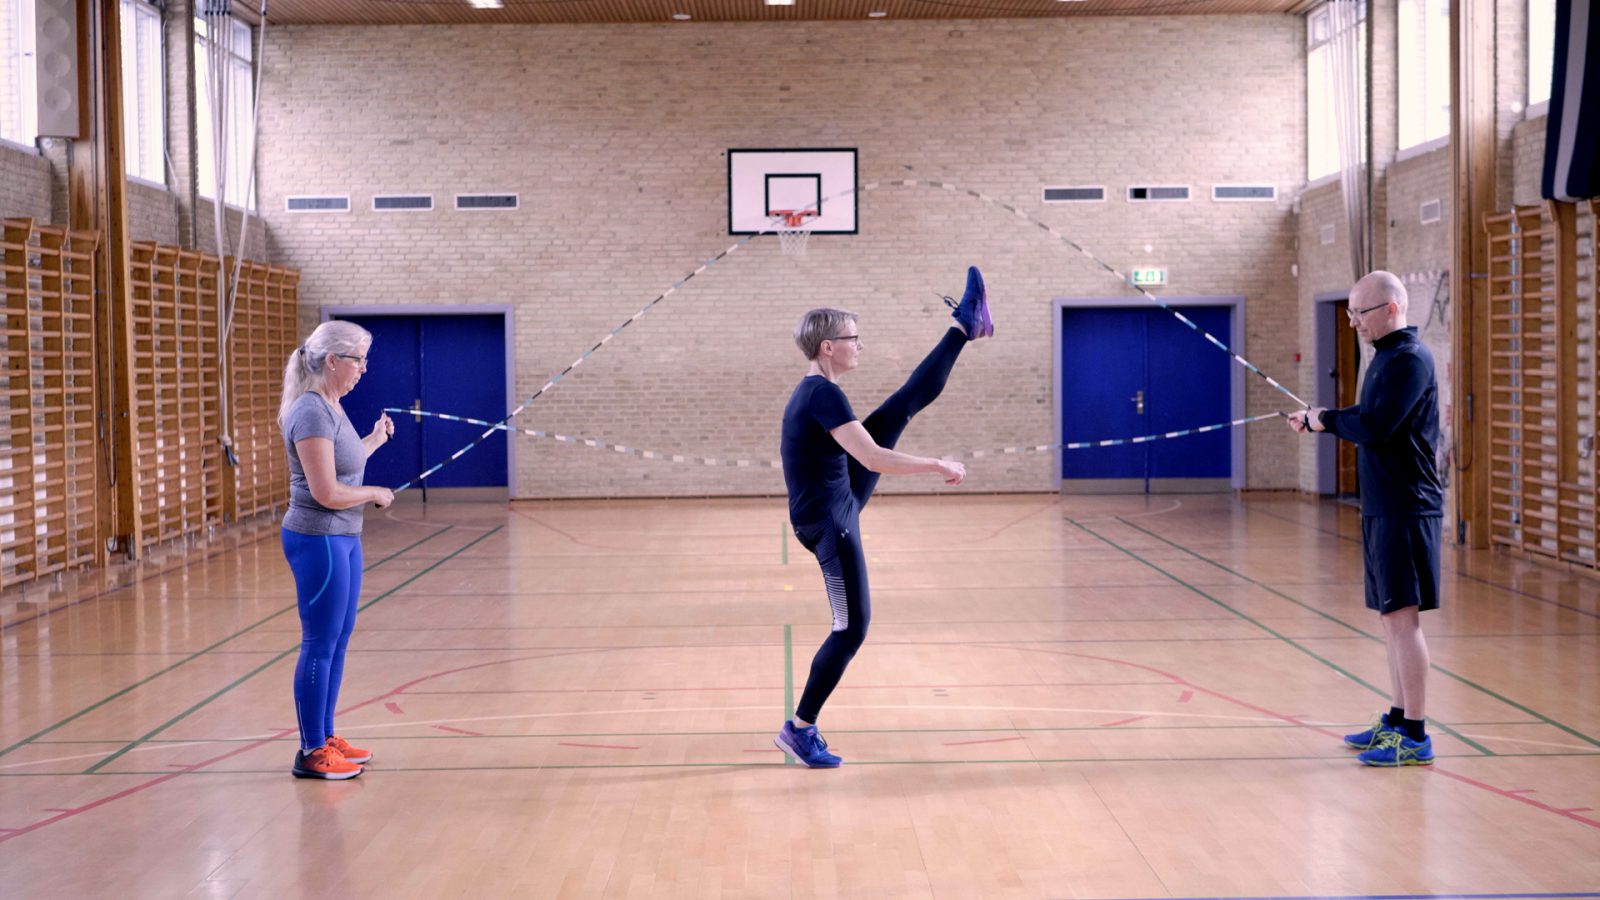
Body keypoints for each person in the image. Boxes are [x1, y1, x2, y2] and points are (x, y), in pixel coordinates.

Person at [774, 266, 993, 768]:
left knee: (901, 406)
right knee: (852, 628)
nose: (860, 346)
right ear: (827, 346)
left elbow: (863, 454)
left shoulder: (819, 391)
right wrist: (937, 464)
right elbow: (873, 458)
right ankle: (799, 729)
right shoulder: (820, 393)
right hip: (830, 519)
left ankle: (964, 327)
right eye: (854, 339)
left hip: (837, 494)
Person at [1288, 270, 1443, 767]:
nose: (1354, 323)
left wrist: (1328, 420)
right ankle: (1397, 719)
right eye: (1351, 313)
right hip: (1381, 506)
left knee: (1403, 618)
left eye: (1362, 313)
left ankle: (1415, 734)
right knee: (1389, 618)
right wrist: (1322, 417)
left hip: (1406, 505)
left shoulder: (1409, 359)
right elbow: (1368, 412)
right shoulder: (1384, 359)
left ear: (1392, 309)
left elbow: (1377, 424)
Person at [278, 320, 397, 780]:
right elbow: (326, 491)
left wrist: (373, 440)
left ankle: (326, 737)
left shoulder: (333, 405)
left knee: (339, 638)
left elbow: (344, 463)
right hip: (319, 537)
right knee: (319, 643)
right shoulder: (310, 411)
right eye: (358, 360)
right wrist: (373, 493)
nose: (364, 369)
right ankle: (310, 752)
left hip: (343, 536)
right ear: (332, 361)